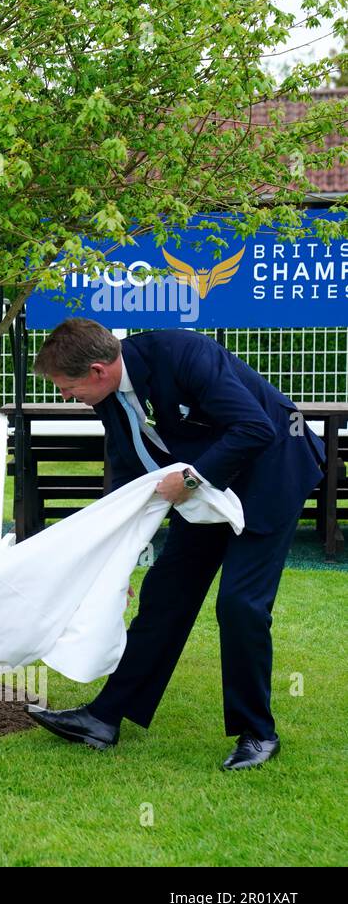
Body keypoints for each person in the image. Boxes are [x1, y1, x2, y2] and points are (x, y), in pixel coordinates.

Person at [26, 318, 325, 770]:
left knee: (240, 604)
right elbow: (127, 469)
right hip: (205, 494)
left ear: (97, 370)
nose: (65, 396)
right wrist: (117, 560)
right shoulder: (108, 396)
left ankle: (258, 733)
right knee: (166, 595)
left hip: (270, 475)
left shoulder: (185, 354)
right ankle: (103, 719)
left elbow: (255, 428)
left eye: (67, 387)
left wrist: (188, 478)